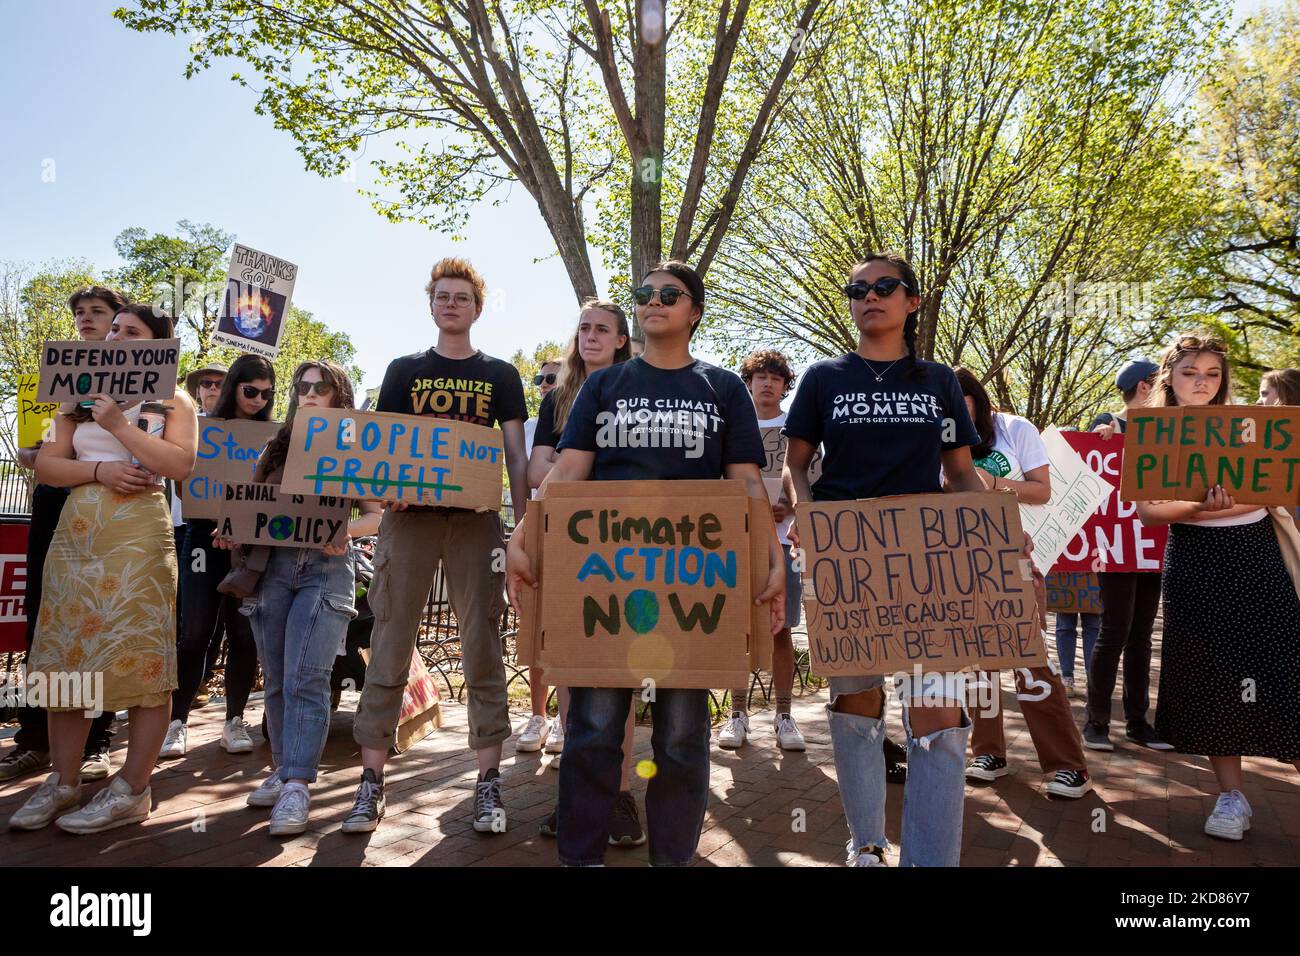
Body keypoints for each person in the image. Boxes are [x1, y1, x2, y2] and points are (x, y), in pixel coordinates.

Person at [507, 259, 785, 867]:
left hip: (692, 591)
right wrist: (522, 534)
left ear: (694, 311)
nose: (653, 301)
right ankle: (581, 859)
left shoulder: (723, 388)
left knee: (683, 741)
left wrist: (772, 563)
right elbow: (568, 472)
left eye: (670, 294)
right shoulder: (604, 387)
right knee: (595, 733)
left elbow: (746, 484)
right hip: (605, 584)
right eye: (645, 293)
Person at [783, 252, 990, 867]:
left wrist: (998, 535)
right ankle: (867, 844)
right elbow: (796, 463)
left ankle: (930, 858)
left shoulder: (940, 382)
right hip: (846, 557)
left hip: (933, 560)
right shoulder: (823, 378)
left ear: (912, 302)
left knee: (939, 711)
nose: (869, 296)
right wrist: (807, 515)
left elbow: (960, 472)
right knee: (858, 705)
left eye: (884, 286)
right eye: (858, 288)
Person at [343, 256, 528, 835]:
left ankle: (487, 780)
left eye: (462, 297)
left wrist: (522, 526)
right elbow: (375, 449)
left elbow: (517, 456)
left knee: (482, 645)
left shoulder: (500, 374)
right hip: (410, 523)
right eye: (442, 296)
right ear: (431, 305)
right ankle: (370, 781)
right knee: (391, 638)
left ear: (478, 307)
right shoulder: (402, 369)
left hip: (475, 524)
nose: (452, 304)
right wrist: (380, 495)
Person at [9, 303, 198, 833]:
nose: (116, 335)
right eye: (114, 328)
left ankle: (131, 789)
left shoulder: (174, 400)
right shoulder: (75, 393)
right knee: (66, 654)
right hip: (78, 537)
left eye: (131, 331)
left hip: (139, 537)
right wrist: (99, 468)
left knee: (140, 658)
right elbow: (47, 465)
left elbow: (179, 465)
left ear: (158, 345)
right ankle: (63, 782)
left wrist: (118, 424)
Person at [1136, 334, 1300, 840]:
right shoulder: (1152, 433)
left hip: (1255, 559)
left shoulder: (1249, 427)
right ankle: (1231, 799)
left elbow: (1265, 492)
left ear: (1223, 379)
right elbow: (1148, 511)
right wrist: (1195, 508)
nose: (1201, 381)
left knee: (1281, 671)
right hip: (1194, 564)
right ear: (1171, 377)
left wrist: (1221, 504)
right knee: (1210, 679)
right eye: (1189, 371)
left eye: (1210, 372)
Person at [219, 361, 382, 835]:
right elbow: (253, 508)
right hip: (271, 571)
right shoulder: (276, 446)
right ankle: (282, 769)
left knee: (307, 679)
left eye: (320, 387)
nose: (308, 393)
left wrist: (344, 531)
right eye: (302, 387)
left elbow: (379, 518)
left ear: (339, 396)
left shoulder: (354, 447)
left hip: (327, 571)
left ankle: (297, 786)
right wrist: (234, 533)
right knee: (274, 679)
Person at [523, 299, 643, 844]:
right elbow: (537, 470)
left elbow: (628, 472)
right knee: (569, 670)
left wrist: (577, 469)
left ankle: (620, 795)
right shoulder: (558, 399)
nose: (590, 336)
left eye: (603, 330)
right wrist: (584, 470)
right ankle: (577, 795)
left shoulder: (642, 394)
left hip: (631, 547)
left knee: (622, 672)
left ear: (622, 340)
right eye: (583, 328)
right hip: (567, 545)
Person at [1, 286, 126, 785]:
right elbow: (44, 450)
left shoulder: (144, 382)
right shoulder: (56, 375)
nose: (86, 319)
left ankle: (97, 743)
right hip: (55, 503)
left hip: (110, 511)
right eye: (79, 312)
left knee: (99, 619)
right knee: (46, 617)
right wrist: (40, 456)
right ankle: (35, 740)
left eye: (99, 312)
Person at [951, 368, 1092, 799]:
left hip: (1017, 559)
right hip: (959, 563)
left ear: (976, 398)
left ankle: (1069, 765)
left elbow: (1042, 490)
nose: (953, 409)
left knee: (1030, 658)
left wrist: (994, 483)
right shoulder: (937, 439)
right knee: (977, 662)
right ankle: (988, 753)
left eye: (961, 401)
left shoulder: (1015, 429)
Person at [160, 354, 276, 759]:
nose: (258, 399)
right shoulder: (200, 429)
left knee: (243, 635)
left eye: (266, 393)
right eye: (250, 391)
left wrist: (241, 525)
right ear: (233, 389)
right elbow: (182, 489)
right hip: (201, 537)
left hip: (249, 544)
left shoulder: (273, 438)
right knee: (194, 632)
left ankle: (234, 720)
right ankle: (176, 723)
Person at [717, 349, 806, 752]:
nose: (768, 383)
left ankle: (784, 715)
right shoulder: (730, 425)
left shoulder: (798, 428)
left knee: (781, 627)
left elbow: (808, 478)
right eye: (759, 376)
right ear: (748, 381)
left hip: (786, 542)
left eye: (776, 376)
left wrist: (790, 506)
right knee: (737, 629)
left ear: (786, 384)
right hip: (736, 541)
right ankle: (737, 714)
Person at [1084, 360, 1171, 752]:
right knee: (1114, 631)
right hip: (1118, 547)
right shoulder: (1107, 424)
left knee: (1141, 635)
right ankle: (1096, 722)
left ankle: (1138, 722)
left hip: (1154, 542)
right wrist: (1105, 435)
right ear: (1143, 387)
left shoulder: (1167, 429)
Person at [523, 359, 561, 458]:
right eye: (539, 379)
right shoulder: (527, 427)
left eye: (551, 378)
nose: (543, 385)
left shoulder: (580, 426)